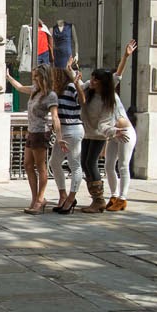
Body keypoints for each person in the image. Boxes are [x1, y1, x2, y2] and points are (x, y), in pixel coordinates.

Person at [6, 63, 63, 214]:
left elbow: (55, 117)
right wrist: (9, 77)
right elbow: (19, 88)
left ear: (44, 77)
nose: (34, 79)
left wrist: (59, 136)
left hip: (41, 133)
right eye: (33, 76)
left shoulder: (50, 95)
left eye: (36, 76)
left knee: (41, 167)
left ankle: (40, 199)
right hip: (31, 132)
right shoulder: (34, 91)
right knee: (27, 165)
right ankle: (35, 198)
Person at [79, 69, 129, 213]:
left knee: (90, 163)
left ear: (103, 83)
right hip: (87, 132)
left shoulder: (107, 101)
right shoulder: (89, 88)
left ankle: (99, 200)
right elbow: (79, 85)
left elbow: (104, 124)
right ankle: (96, 199)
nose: (92, 81)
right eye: (92, 78)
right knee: (84, 163)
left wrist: (113, 132)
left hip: (99, 135)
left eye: (96, 80)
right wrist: (70, 71)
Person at [49, 59, 85, 214]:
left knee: (74, 164)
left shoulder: (71, 87)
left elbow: (82, 101)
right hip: (62, 130)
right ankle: (63, 194)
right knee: (54, 162)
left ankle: (71, 198)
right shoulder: (56, 90)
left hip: (73, 128)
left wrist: (76, 83)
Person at [105, 40, 138, 211]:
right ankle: (113, 195)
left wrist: (125, 56)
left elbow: (119, 73)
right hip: (113, 133)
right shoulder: (95, 97)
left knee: (123, 165)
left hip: (125, 131)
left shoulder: (109, 89)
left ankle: (123, 198)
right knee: (108, 165)